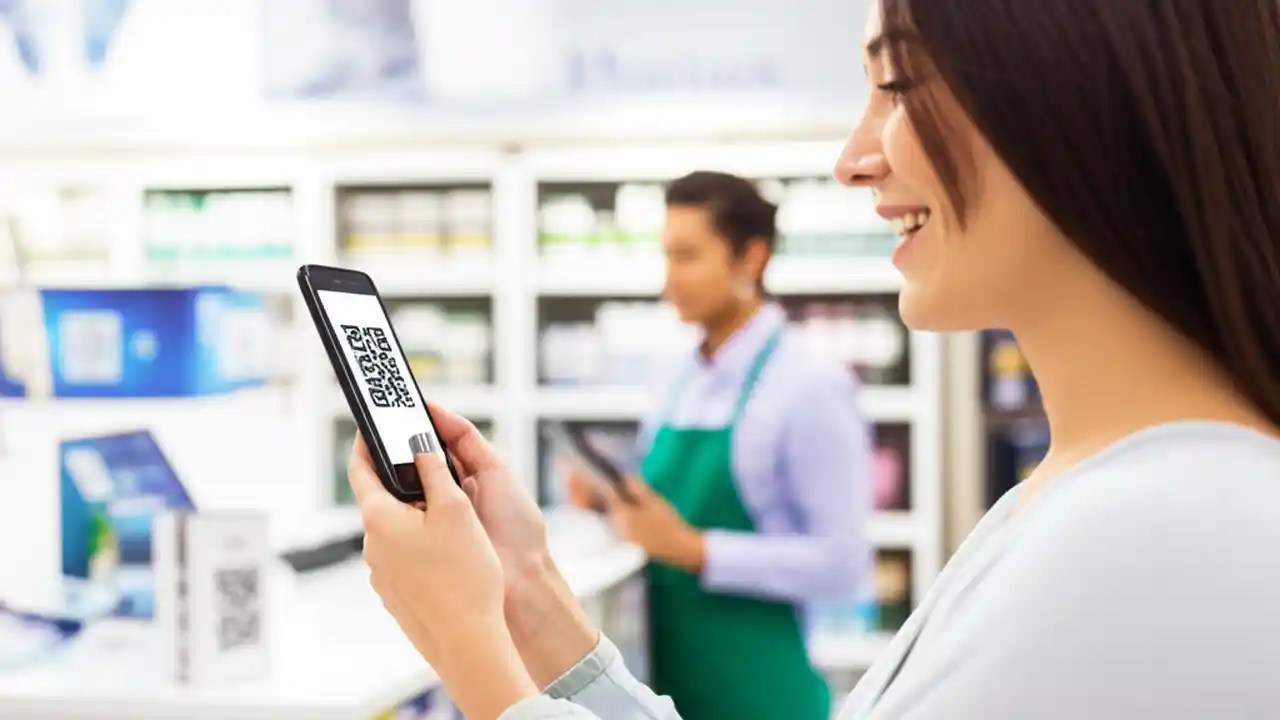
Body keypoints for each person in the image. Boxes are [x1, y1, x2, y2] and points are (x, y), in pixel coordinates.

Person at [346, 1, 1280, 718]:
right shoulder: (1086, 499)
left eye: (901, 86)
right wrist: (524, 593)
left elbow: (835, 564)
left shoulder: (1157, 527)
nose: (852, 156)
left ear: (1075, 91)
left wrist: (466, 642)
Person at [559, 170, 872, 720]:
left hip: (763, 699)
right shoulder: (680, 375)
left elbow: (843, 565)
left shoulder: (809, 383)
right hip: (675, 693)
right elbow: (667, 517)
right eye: (665, 257)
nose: (667, 282)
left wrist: (696, 549)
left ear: (751, 258)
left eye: (687, 257)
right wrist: (612, 502)